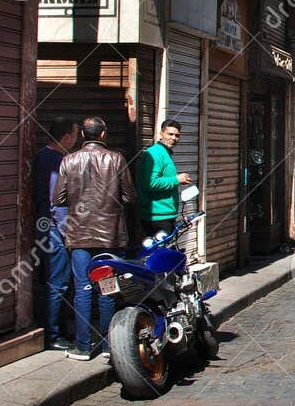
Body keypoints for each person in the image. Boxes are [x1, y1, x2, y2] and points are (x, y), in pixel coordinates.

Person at [54, 117, 136, 361]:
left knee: (82, 289)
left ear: (83, 135)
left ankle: (83, 346)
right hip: (109, 237)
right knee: (107, 289)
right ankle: (109, 344)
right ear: (103, 135)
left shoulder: (68, 160)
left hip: (79, 235)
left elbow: (58, 199)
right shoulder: (116, 159)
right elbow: (130, 197)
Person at [32, 116, 80, 352]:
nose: (77, 139)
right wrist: (65, 231)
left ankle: (58, 327)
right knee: (57, 282)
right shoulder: (54, 160)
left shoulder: (45, 156)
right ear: (67, 136)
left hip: (48, 226)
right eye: (76, 134)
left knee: (56, 280)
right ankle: (52, 334)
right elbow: (56, 202)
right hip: (54, 228)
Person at [133, 120, 192, 241]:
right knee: (161, 252)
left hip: (165, 216)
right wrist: (176, 180)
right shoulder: (155, 154)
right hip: (157, 219)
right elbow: (151, 183)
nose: (174, 138)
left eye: (177, 135)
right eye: (170, 134)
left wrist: (177, 180)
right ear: (161, 134)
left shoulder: (165, 153)